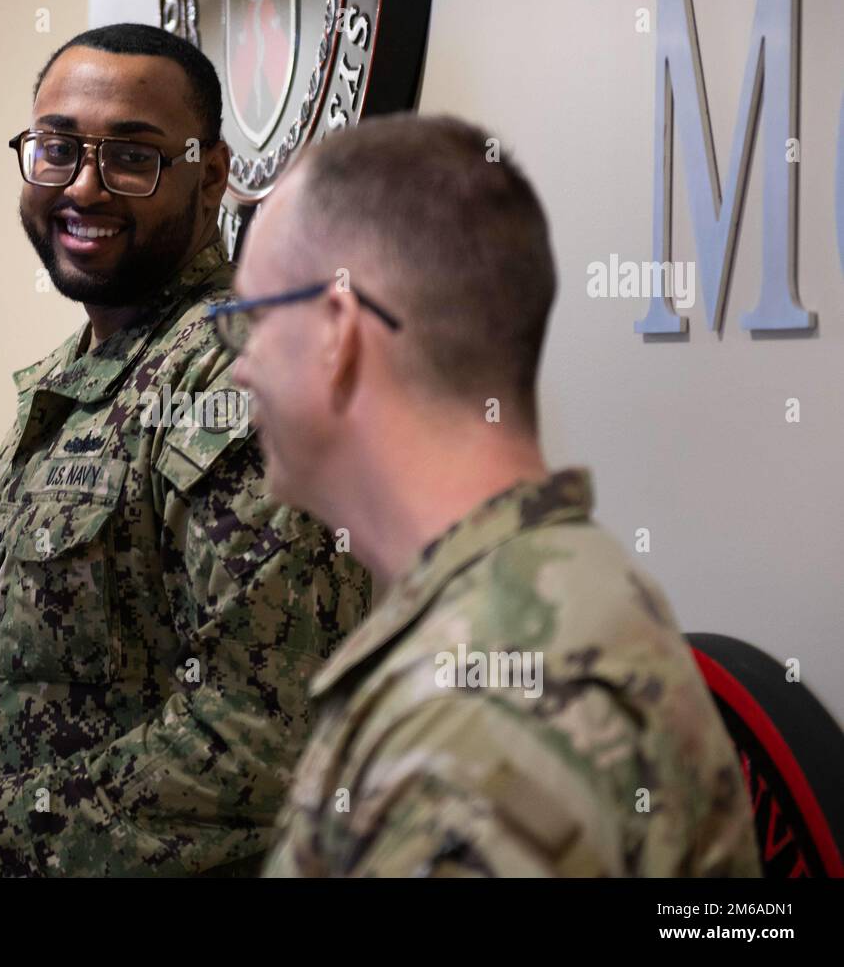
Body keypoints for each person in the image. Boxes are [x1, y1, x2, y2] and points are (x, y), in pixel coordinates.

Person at [0, 23, 370, 877]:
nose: (84, 187)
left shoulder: (239, 375)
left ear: (212, 175)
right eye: (56, 148)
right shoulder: (82, 376)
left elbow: (273, 738)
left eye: (133, 158)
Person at [218, 113, 760, 877]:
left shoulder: (470, 719)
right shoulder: (543, 590)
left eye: (252, 319)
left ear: (339, 330)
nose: (240, 368)